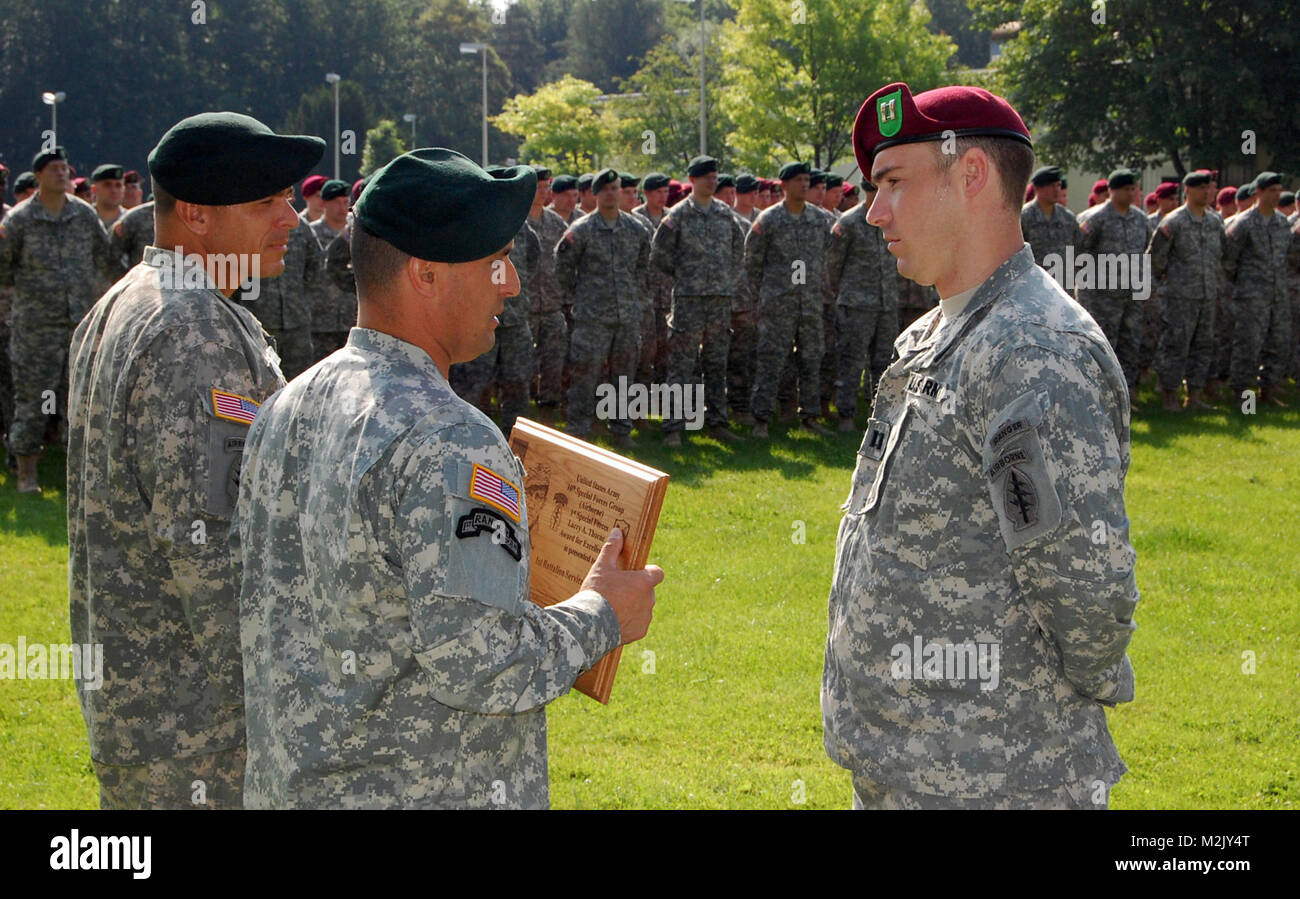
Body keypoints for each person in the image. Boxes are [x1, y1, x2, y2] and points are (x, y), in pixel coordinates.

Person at [232, 148, 661, 808]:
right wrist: (603, 614)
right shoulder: (447, 436)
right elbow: (481, 664)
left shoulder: (289, 403)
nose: (512, 283)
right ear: (426, 275)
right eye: (495, 262)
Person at [824, 82, 1138, 810]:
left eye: (894, 184)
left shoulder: (1029, 347)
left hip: (995, 775)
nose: (874, 212)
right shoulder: (941, 334)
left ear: (970, 176)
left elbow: (1085, 583)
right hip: (913, 765)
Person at [65, 111, 324, 807]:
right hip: (199, 723)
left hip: (140, 701)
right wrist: (287, 705)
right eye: (267, 202)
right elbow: (212, 551)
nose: (291, 218)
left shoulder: (125, 303)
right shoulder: (194, 330)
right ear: (197, 217)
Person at [0, 146, 114, 493]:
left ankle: (75, 477)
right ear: (38, 177)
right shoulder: (18, 220)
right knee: (33, 399)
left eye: (66, 168)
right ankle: (27, 474)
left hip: (78, 326)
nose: (62, 173)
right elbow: (4, 270)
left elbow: (103, 259)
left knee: (77, 402)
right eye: (54, 169)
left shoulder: (83, 215)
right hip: (35, 328)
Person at [651, 155, 746, 446]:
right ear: (692, 180)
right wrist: (686, 276)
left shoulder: (724, 213)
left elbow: (737, 248)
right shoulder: (678, 215)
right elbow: (659, 254)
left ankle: (717, 422)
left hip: (718, 300)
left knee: (716, 362)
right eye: (707, 177)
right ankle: (673, 428)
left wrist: (724, 280)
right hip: (689, 301)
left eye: (715, 176)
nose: (712, 181)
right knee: (682, 364)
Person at [555, 169, 649, 446]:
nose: (611, 193)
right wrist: (580, 297)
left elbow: (643, 265)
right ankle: (578, 430)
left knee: (624, 375)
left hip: (627, 316)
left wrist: (631, 296)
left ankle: (620, 430)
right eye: (605, 189)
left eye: (615, 188)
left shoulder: (636, 229)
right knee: (585, 373)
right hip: (591, 317)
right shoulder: (580, 230)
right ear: (595, 194)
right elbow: (562, 269)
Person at [746, 161, 834, 438]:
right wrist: (763, 297)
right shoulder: (768, 220)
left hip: (809, 304)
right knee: (771, 361)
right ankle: (761, 419)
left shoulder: (820, 220)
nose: (804, 184)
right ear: (783, 185)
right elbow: (752, 263)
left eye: (807, 179)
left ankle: (809, 416)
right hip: (778, 305)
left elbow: (827, 257)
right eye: (798, 180)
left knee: (811, 360)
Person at [1148, 170, 1223, 411]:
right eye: (1201, 188)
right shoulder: (1173, 223)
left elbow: (1222, 257)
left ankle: (1195, 395)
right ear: (1188, 191)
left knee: (1203, 345)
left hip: (1207, 295)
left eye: (1209, 187)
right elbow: (1155, 261)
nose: (1207, 192)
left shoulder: (1214, 222)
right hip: (1180, 297)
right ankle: (1170, 395)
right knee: (1176, 346)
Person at [827, 180, 898, 432]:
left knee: (884, 364)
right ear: (867, 191)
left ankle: (880, 415)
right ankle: (846, 415)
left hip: (886, 303)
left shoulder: (892, 218)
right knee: (852, 361)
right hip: (857, 305)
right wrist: (844, 295)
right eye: (873, 190)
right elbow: (832, 266)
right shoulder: (848, 222)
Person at [1076, 168, 1152, 403]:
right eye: (1127, 189)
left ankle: (1127, 395)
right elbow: (1078, 251)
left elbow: (1146, 248)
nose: (1132, 193)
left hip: (1131, 295)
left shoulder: (1140, 219)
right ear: (1112, 191)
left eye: (1134, 189)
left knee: (1130, 344)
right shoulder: (1095, 219)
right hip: (1101, 297)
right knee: (1101, 346)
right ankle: (1097, 396)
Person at [1223, 172, 1292, 406]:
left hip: (1278, 295)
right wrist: (1242, 287)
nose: (1277, 195)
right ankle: (1242, 394)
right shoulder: (1243, 224)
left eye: (1278, 190)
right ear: (1259, 192)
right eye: (1272, 190)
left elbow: (1288, 258)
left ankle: (1268, 391)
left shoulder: (1283, 224)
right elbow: (1228, 262)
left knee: (1278, 342)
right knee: (1248, 345)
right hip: (1251, 297)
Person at [1020, 165, 1081, 269]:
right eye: (1052, 186)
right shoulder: (1024, 217)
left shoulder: (1068, 218)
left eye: (1058, 185)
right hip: (1036, 282)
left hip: (1063, 282)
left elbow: (1078, 249)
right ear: (1037, 188)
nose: (1056, 190)